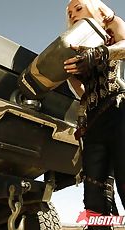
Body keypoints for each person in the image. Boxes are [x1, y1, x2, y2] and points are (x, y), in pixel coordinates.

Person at [64, 0, 125, 229]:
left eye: (78, 8)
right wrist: (72, 74)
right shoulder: (72, 45)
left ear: (97, 8)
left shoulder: (111, 24)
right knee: (94, 197)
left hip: (118, 108)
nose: (73, 14)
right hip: (93, 122)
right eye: (70, 13)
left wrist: (99, 54)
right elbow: (82, 91)